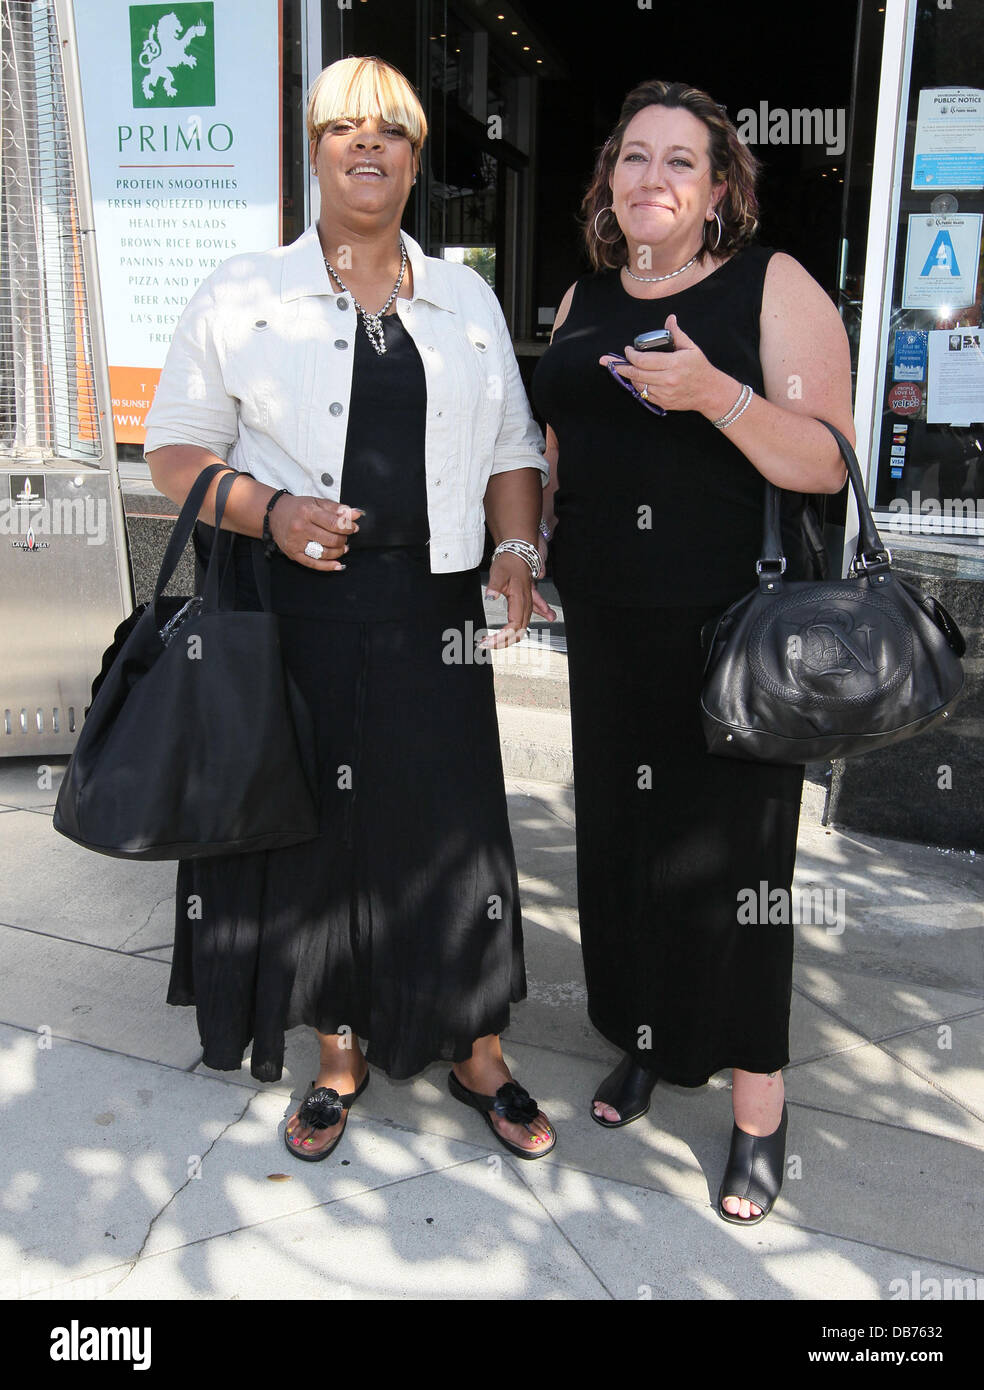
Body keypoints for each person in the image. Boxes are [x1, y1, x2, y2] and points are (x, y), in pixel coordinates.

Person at [144, 56, 557, 1163]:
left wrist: (516, 545)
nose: (368, 145)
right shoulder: (241, 290)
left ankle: (476, 1046)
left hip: (435, 612)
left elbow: (515, 448)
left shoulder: (464, 296)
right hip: (296, 611)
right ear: (314, 149)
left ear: (418, 162)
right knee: (318, 834)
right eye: (344, 128)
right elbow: (173, 452)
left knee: (451, 825)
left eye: (393, 132)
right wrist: (269, 509)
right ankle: (338, 1051)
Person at [531, 79, 854, 1222]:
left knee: (739, 877)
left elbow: (826, 460)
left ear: (721, 190)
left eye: (679, 161)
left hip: (736, 641)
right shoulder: (583, 293)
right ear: (607, 179)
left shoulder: (772, 285)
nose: (650, 177)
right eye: (632, 156)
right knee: (623, 852)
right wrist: (530, 550)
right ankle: (647, 1042)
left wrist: (718, 396)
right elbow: (563, 440)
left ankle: (759, 1107)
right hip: (609, 626)